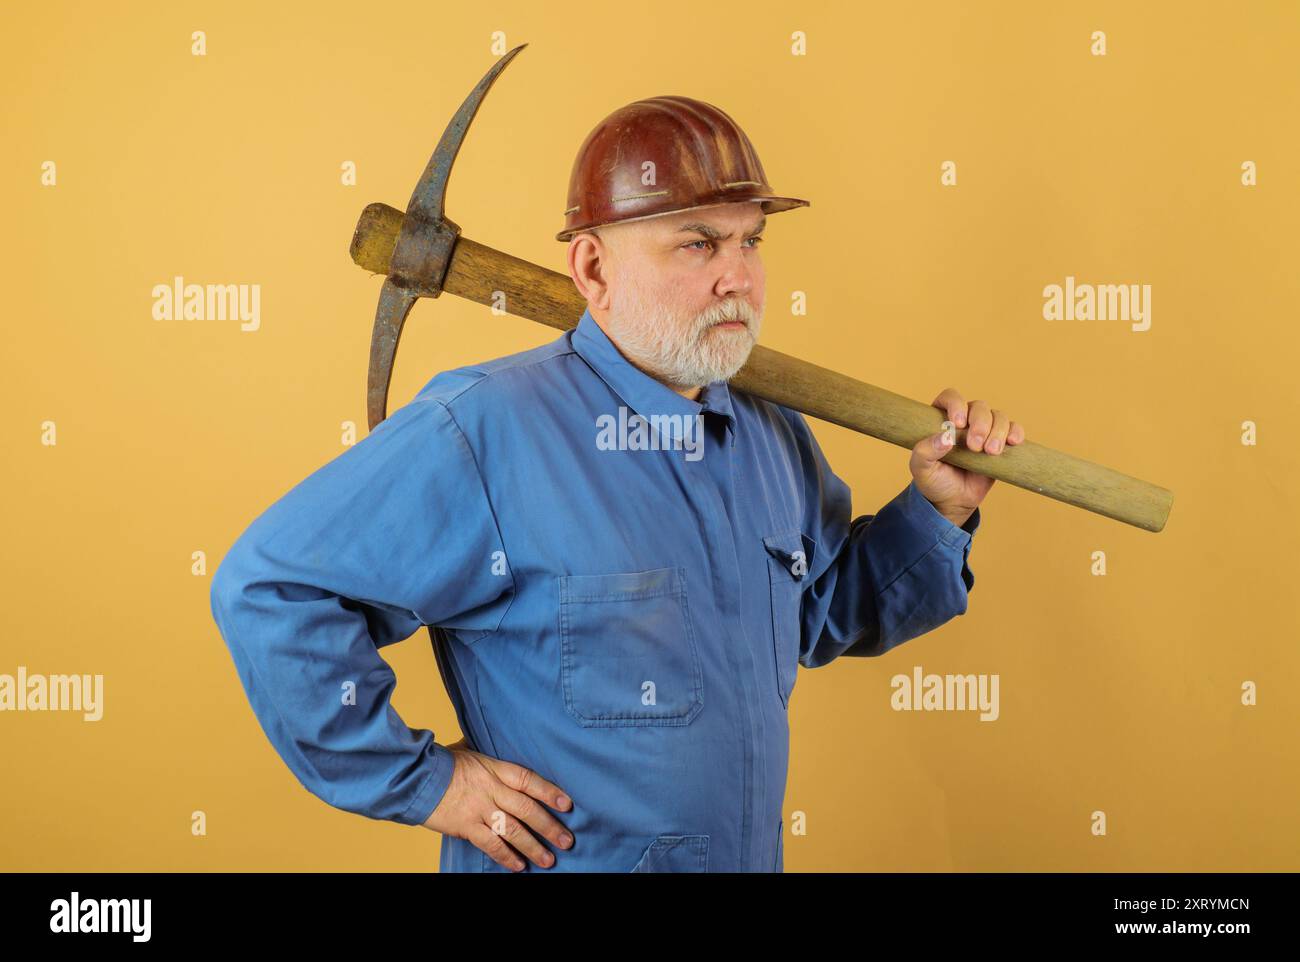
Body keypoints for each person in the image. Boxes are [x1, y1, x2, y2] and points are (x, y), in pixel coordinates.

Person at [209, 95, 1025, 872]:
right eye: (698, 244)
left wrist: (937, 511)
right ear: (593, 267)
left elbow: (818, 613)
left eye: (750, 243)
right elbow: (270, 588)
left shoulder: (771, 434)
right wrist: (427, 784)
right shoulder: (487, 431)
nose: (737, 277)